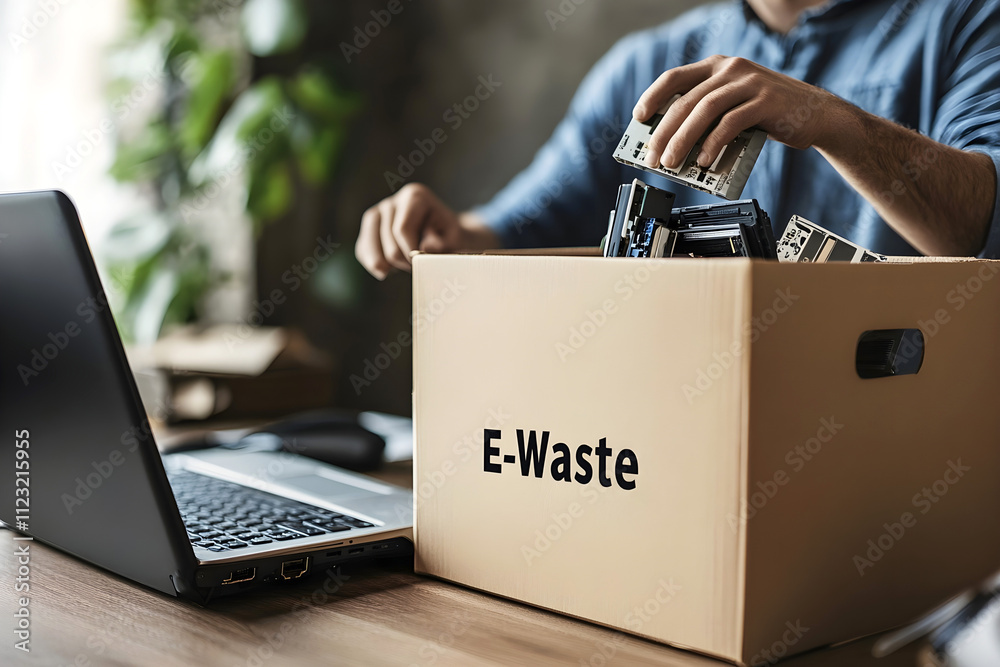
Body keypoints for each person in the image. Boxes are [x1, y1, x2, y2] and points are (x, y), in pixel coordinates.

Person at [355, 0, 1000, 279]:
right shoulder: (649, 64)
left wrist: (834, 123)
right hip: (683, 441)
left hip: (899, 441)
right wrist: (449, 237)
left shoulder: (969, 21)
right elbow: (527, 225)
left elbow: (983, 225)